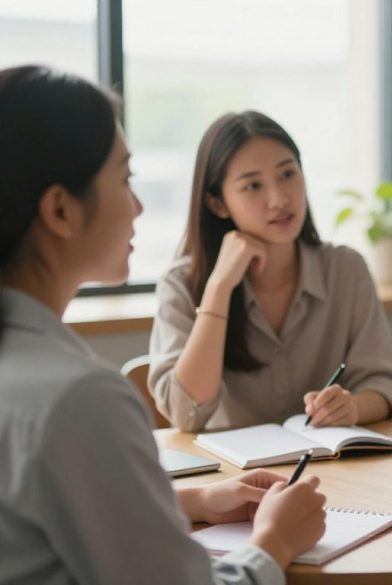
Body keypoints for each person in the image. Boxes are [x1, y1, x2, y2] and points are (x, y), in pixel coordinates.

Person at [0, 65, 327, 585]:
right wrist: (276, 541)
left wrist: (195, 499)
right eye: (124, 179)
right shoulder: (78, 399)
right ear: (61, 210)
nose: (139, 206)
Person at [148, 111, 392, 432]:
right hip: (231, 477)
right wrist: (219, 288)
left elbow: (384, 384)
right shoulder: (182, 283)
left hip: (326, 470)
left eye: (287, 174)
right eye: (253, 185)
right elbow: (185, 414)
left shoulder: (345, 269)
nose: (279, 199)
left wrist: (351, 407)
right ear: (218, 204)